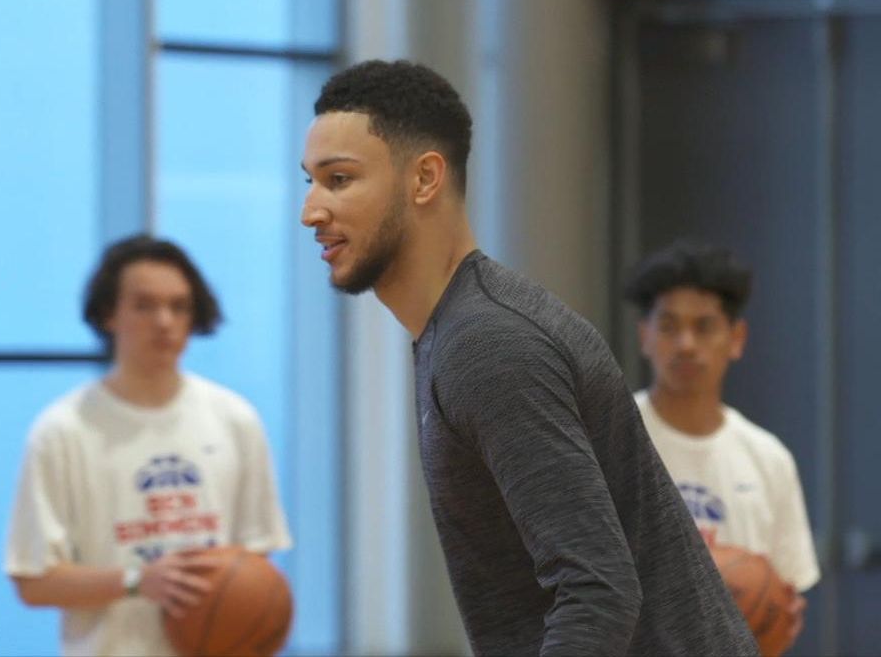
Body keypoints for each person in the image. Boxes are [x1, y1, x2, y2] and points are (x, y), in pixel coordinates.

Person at [299, 59, 757, 655]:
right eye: (309, 182)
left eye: (338, 179)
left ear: (425, 179)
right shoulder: (464, 329)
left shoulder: (489, 347)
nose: (311, 211)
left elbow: (598, 590)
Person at [6, 235, 291, 656]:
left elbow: (255, 563)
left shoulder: (236, 420)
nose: (164, 321)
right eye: (144, 306)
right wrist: (137, 581)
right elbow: (33, 581)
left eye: (179, 306)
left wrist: (245, 613)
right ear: (108, 314)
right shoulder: (62, 430)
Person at [625, 239, 819, 646]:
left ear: (736, 338)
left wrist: (777, 615)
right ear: (645, 336)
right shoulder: (609, 438)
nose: (686, 344)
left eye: (704, 326)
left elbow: (786, 593)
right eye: (669, 326)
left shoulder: (769, 458)